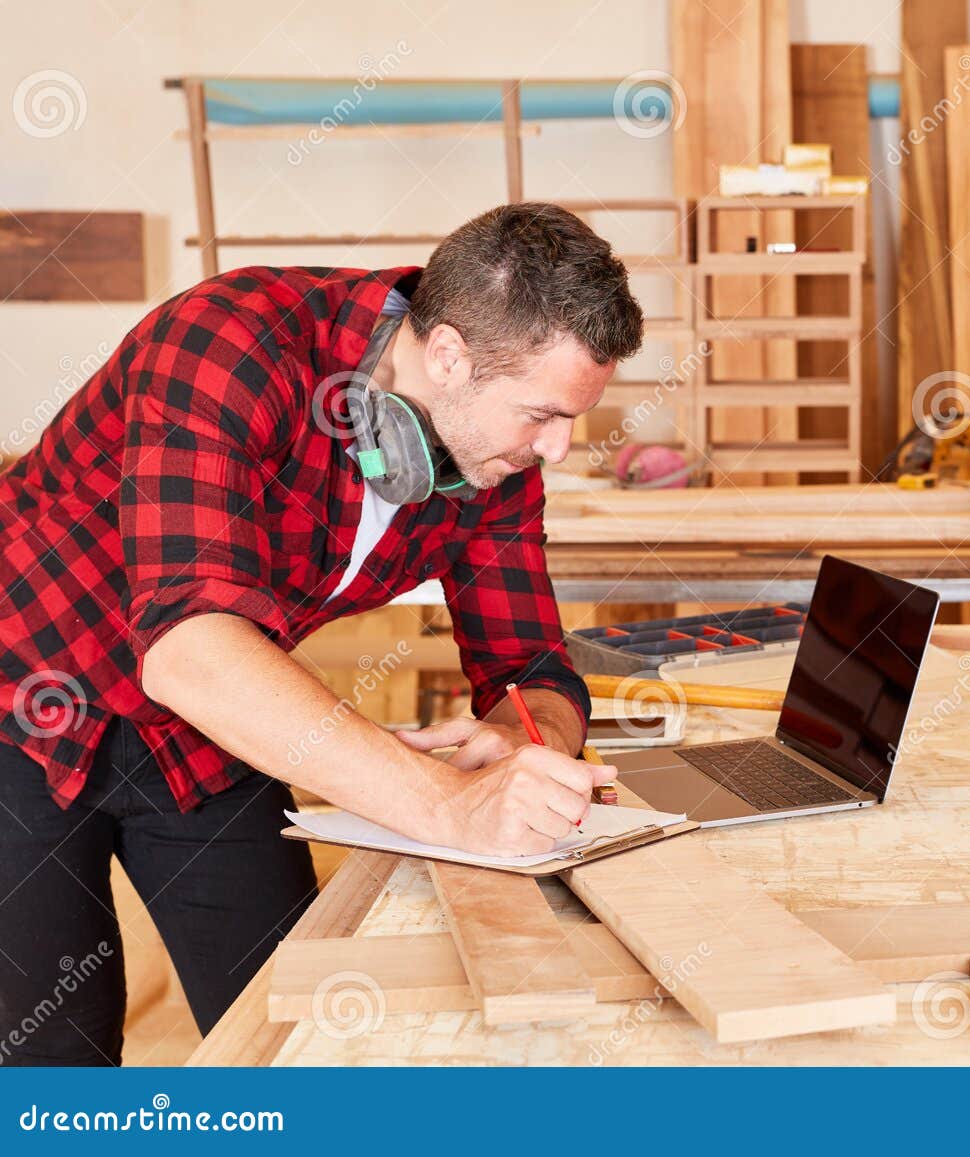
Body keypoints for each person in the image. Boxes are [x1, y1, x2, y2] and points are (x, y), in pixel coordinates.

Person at [0, 202, 641, 1064]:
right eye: (543, 414)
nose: (560, 448)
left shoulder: (493, 459)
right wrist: (449, 804)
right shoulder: (229, 343)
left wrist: (531, 742)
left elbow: (530, 663)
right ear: (449, 356)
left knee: (298, 1028)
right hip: (26, 697)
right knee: (51, 1061)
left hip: (203, 734)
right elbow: (192, 650)